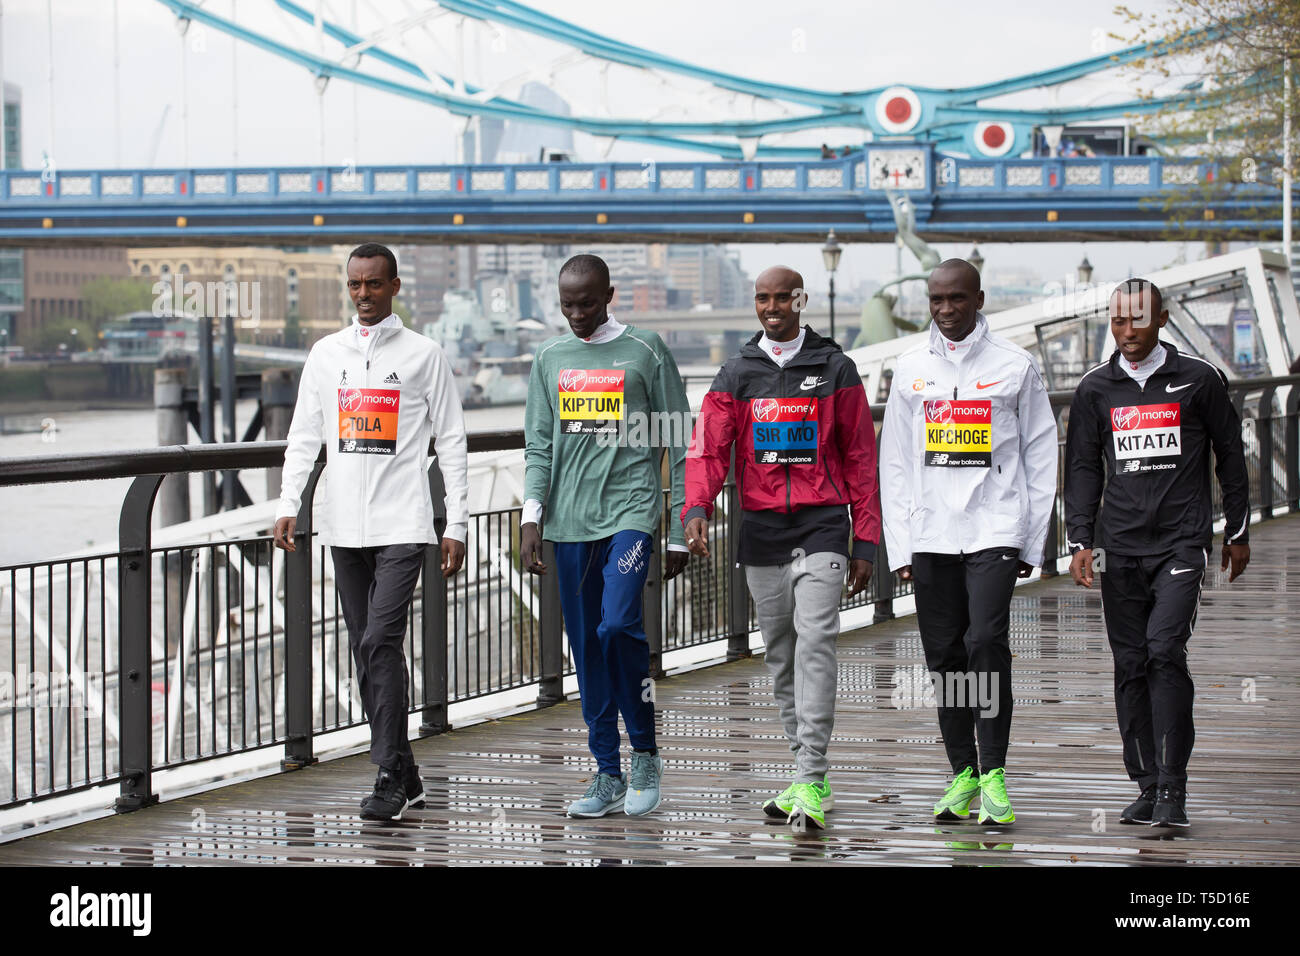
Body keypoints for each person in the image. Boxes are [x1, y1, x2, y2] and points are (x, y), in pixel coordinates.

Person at [273, 242, 468, 822]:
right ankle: (405, 771)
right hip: (342, 527)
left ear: (395, 286)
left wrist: (454, 522)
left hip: (403, 523)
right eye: (355, 285)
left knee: (380, 640)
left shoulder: (423, 355)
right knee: (366, 647)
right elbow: (305, 436)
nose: (363, 295)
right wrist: (291, 502)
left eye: (374, 285)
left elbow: (452, 442)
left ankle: (387, 771)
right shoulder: (325, 354)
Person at [682, 266, 881, 831]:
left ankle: (813, 777)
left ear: (801, 300)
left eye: (782, 297)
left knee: (817, 639)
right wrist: (696, 507)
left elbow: (861, 458)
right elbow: (707, 450)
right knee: (782, 654)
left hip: (822, 525)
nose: (772, 307)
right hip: (762, 530)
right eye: (762, 298)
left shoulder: (835, 367)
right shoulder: (736, 373)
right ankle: (803, 771)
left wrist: (864, 537)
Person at [1064, 278, 1250, 828]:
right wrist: (1081, 541)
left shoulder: (1198, 379)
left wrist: (1237, 534)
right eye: (1117, 321)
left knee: (1165, 650)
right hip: (1117, 546)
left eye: (1138, 321)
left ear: (1162, 319)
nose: (1127, 332)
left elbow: (1231, 455)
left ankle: (1174, 786)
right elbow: (1082, 468)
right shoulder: (1096, 389)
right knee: (1130, 662)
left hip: (1181, 542)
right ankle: (1145, 782)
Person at [879, 258, 1057, 826]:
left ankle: (995, 772)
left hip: (995, 528)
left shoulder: (1014, 366)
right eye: (937, 301)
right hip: (931, 533)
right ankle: (962, 774)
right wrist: (901, 546)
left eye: (957, 299)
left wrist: (1032, 543)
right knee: (946, 657)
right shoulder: (909, 368)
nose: (947, 310)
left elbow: (1040, 452)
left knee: (985, 641)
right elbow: (897, 463)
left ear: (979, 298)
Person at [520, 254, 690, 818]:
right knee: (587, 650)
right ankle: (607, 772)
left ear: (610, 294)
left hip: (631, 513)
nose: (576, 314)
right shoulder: (549, 358)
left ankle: (644, 752)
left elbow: (680, 441)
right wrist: (530, 517)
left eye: (587, 303)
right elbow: (540, 446)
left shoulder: (645, 351)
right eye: (566, 305)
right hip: (568, 524)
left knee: (617, 624)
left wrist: (681, 527)